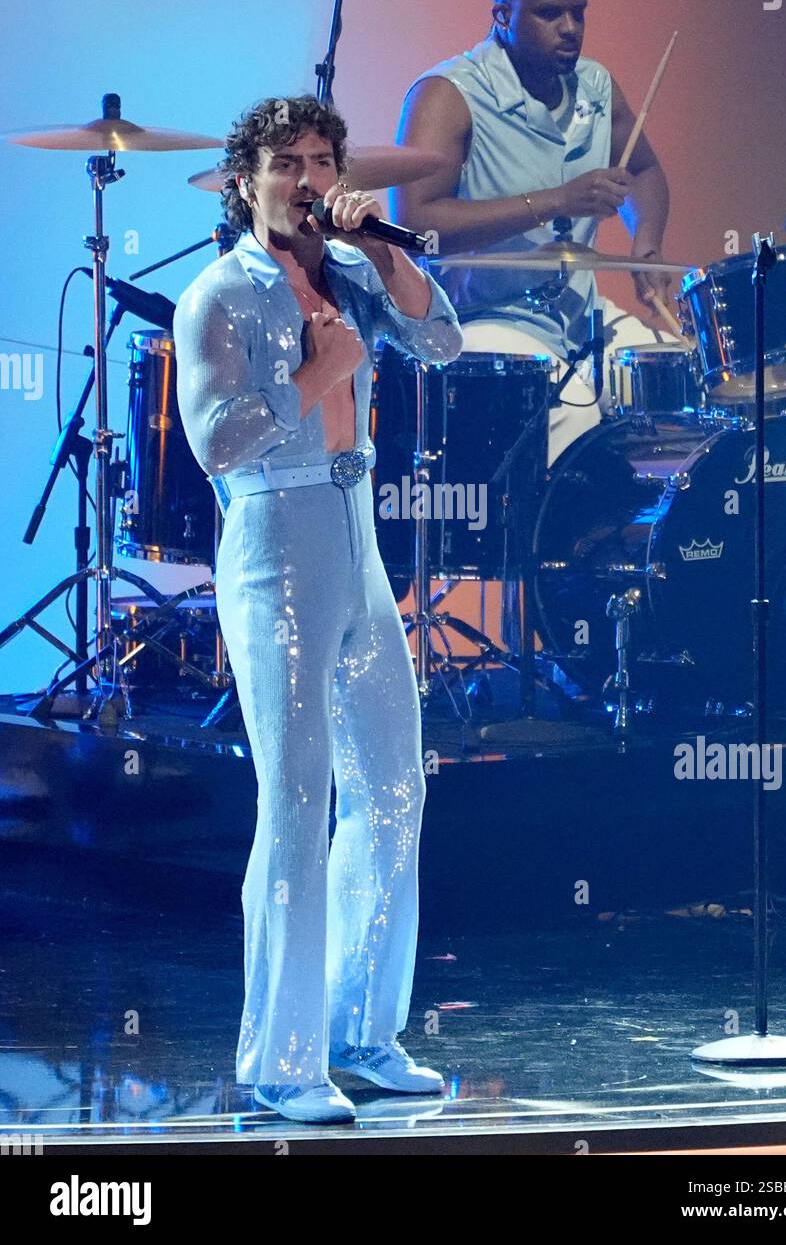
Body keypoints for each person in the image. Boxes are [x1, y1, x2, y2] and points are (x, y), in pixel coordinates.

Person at [172, 95, 463, 1124]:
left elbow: (441, 341)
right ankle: (281, 1060)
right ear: (242, 180)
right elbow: (214, 440)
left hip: (356, 527)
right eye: (285, 160)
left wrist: (383, 252)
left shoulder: (349, 272)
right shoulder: (215, 295)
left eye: (320, 157)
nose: (307, 175)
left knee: (391, 789)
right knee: (298, 801)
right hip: (274, 541)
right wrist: (313, 376)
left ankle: (362, 1032)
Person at [393, 0, 681, 466]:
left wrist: (647, 245)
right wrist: (558, 201)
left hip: (579, 314)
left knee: (674, 376)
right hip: (479, 319)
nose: (570, 27)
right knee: (573, 412)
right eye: (550, 14)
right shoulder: (448, 93)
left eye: (579, 12)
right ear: (503, 16)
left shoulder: (595, 85)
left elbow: (643, 170)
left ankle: (641, 539)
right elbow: (416, 223)